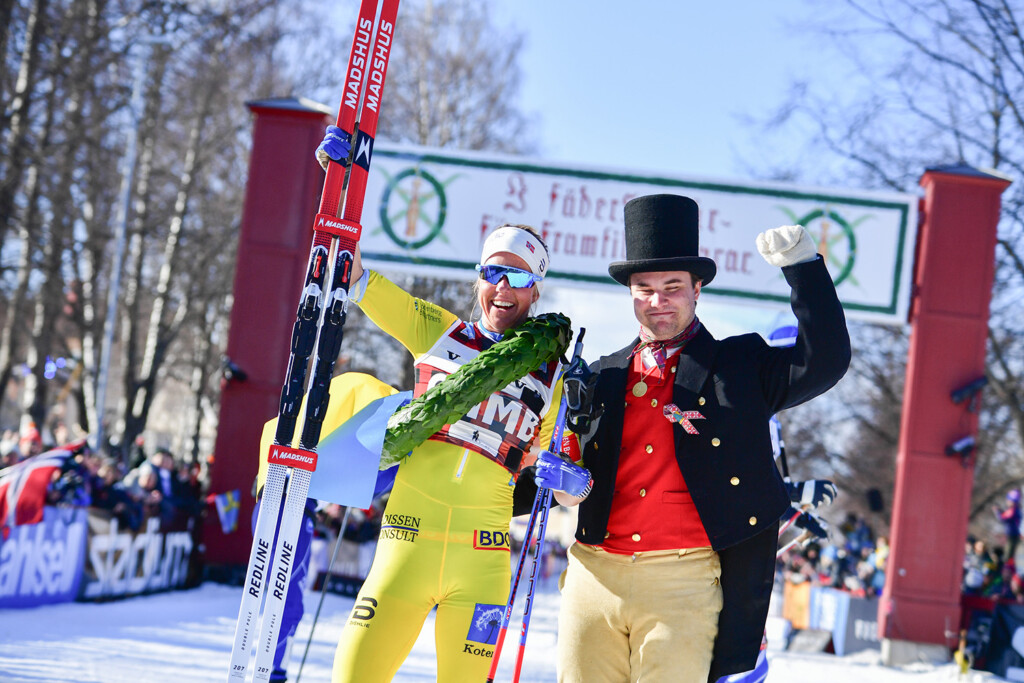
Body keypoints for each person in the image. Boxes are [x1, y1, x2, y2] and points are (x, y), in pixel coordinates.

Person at [542, 193, 850, 682]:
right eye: (644, 289)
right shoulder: (601, 375)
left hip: (682, 584)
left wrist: (805, 271)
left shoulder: (739, 367)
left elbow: (824, 361)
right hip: (592, 578)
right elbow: (569, 470)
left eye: (671, 287)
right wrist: (565, 484)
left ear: (697, 288)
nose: (657, 301)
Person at [315, 127, 571, 682]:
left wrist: (564, 477)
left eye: (519, 275)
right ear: (479, 277)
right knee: (351, 676)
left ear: (536, 287)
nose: (503, 286)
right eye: (492, 272)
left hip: (482, 560)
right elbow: (351, 273)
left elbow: (544, 466)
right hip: (405, 543)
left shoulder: (553, 373)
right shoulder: (440, 332)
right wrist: (336, 185)